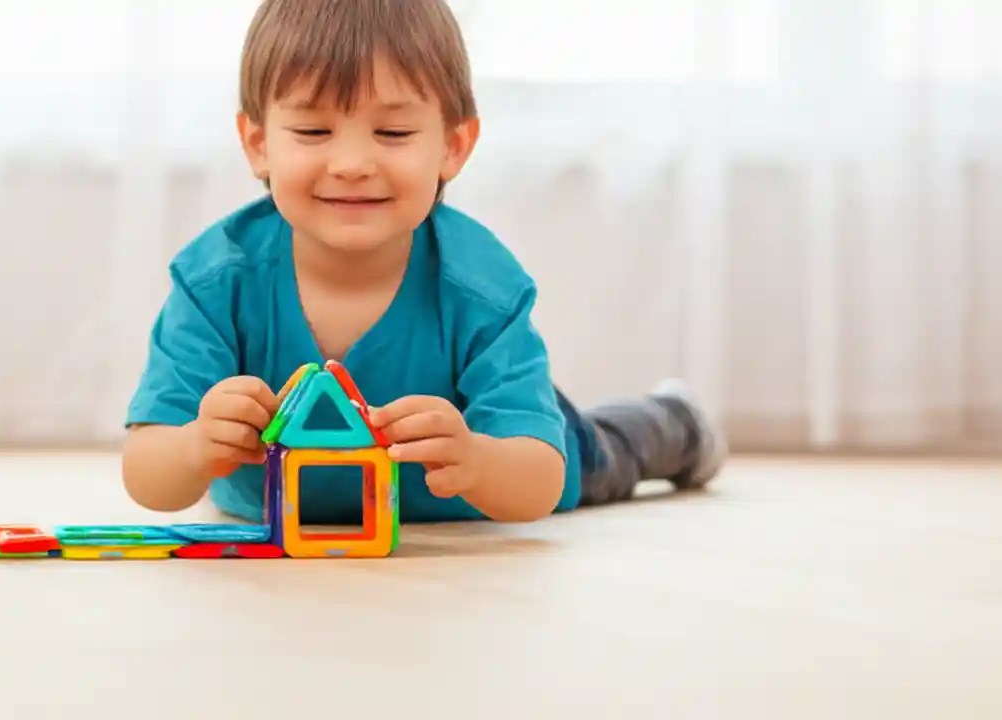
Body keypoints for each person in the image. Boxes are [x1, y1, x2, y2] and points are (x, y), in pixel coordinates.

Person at [121, 0, 727, 525]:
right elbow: (147, 477)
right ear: (258, 144)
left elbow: (538, 480)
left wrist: (478, 460)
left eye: (391, 133)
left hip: (502, 478)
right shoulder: (212, 282)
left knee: (605, 449)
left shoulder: (483, 288)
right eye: (311, 130)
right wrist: (197, 445)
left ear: (453, 146)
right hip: (285, 512)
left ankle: (675, 422)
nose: (353, 163)